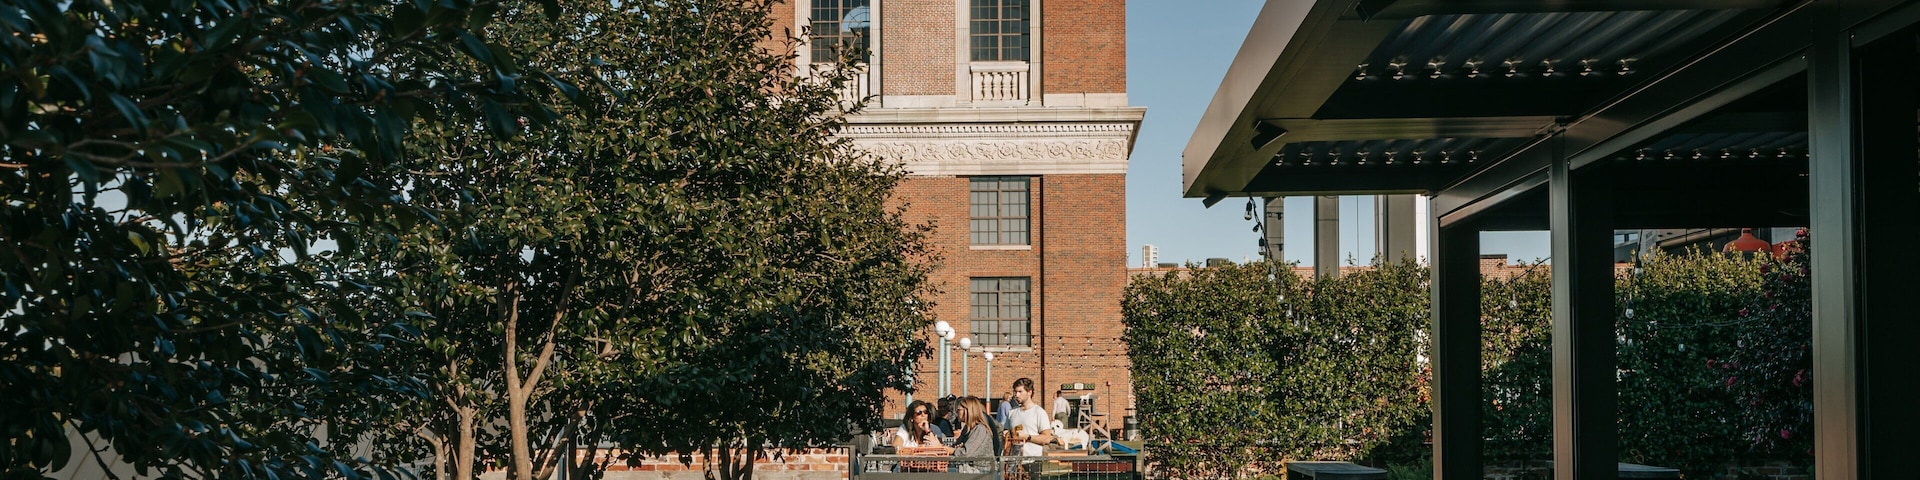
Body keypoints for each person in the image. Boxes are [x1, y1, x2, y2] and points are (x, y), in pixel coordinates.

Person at [1004, 377, 1056, 456]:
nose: (1016, 395)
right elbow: (1005, 432)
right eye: (1015, 391)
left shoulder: (1039, 412)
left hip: (1032, 460)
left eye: (1020, 391)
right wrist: (1005, 434)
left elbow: (1046, 438)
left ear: (1029, 392)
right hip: (1013, 460)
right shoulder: (1012, 412)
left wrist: (1027, 437)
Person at [949, 396, 995, 473]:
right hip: (970, 469)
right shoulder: (967, 429)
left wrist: (950, 450)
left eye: (959, 410)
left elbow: (966, 453)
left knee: (945, 473)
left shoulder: (980, 429)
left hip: (982, 471)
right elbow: (957, 446)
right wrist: (957, 448)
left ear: (968, 411)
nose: (956, 413)